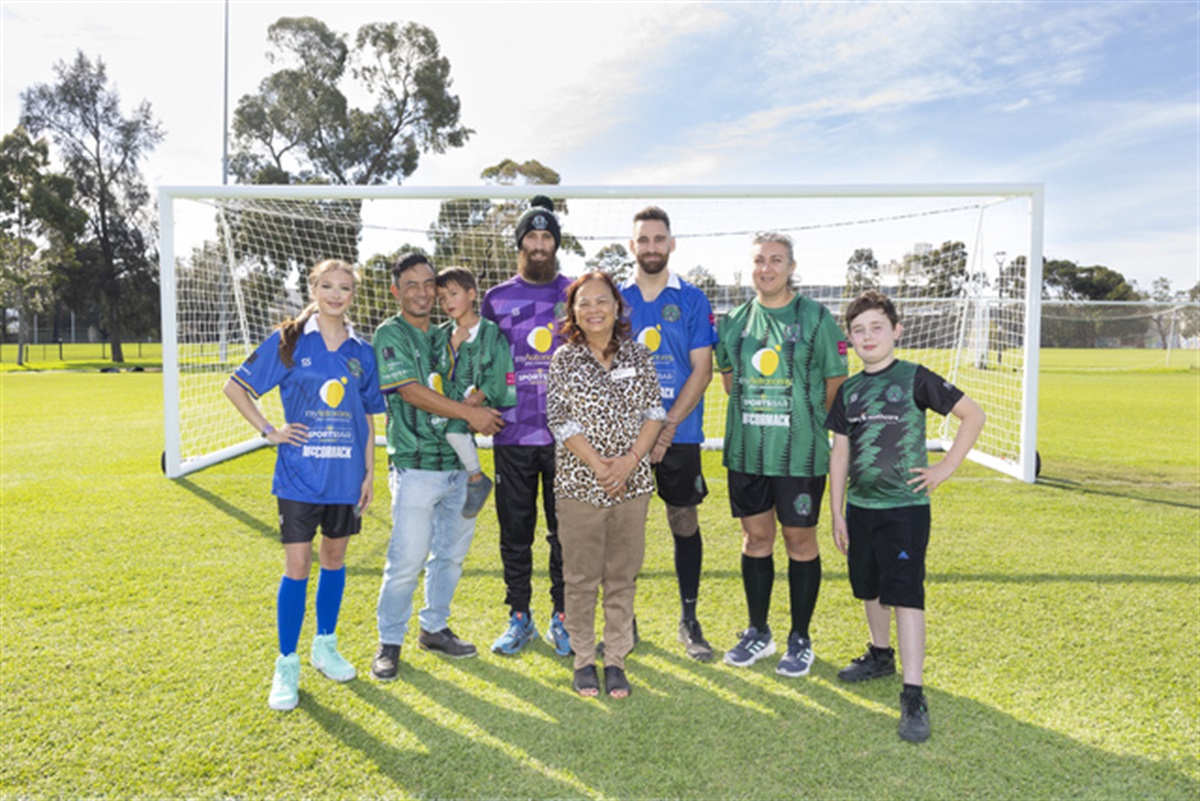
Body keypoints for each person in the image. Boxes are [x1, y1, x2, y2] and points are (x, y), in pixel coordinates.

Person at [223, 259, 386, 712]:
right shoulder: (289, 341)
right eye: (328, 286)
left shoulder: (362, 352)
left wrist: (370, 472)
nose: (337, 294)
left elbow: (368, 419)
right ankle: (287, 663)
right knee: (297, 566)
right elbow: (236, 387)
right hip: (299, 476)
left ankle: (325, 646)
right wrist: (269, 430)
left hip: (346, 477)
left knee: (334, 559)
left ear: (354, 294)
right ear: (313, 288)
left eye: (346, 288)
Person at [827, 290, 985, 743]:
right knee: (870, 586)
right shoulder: (850, 392)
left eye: (877, 327)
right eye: (858, 330)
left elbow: (972, 415)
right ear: (850, 340)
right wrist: (837, 511)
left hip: (905, 511)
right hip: (861, 509)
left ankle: (913, 692)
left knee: (906, 594)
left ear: (896, 331)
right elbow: (840, 453)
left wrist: (944, 467)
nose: (868, 336)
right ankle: (880, 654)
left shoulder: (916, 378)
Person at [715, 232, 848, 677]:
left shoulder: (815, 319)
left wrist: (804, 423)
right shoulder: (733, 321)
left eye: (776, 260)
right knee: (755, 540)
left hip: (801, 456)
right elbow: (731, 382)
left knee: (799, 542)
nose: (766, 268)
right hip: (748, 453)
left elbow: (835, 385)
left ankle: (800, 637)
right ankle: (759, 632)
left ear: (792, 267)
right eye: (759, 261)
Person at [370, 252, 505, 681]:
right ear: (396, 291)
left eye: (429, 283)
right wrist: (471, 416)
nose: (423, 292)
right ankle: (389, 642)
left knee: (450, 555)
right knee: (406, 560)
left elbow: (483, 374)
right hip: (415, 466)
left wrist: (481, 399)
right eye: (411, 284)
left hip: (460, 469)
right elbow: (410, 392)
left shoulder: (451, 333)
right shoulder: (390, 333)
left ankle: (434, 628)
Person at [547, 271, 665, 698]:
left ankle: (614, 658)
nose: (594, 309)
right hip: (580, 486)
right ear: (573, 313)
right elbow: (560, 420)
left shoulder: (638, 355)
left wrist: (629, 462)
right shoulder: (564, 359)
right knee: (579, 577)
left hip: (631, 487)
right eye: (584, 303)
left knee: (621, 576)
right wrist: (600, 465)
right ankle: (582, 659)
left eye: (602, 301)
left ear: (617, 307)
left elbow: (655, 414)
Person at [619, 206, 718, 661]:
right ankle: (624, 622)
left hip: (679, 433)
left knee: (683, 520)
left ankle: (689, 619)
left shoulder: (693, 299)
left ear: (671, 244)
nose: (652, 247)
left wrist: (667, 426)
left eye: (659, 239)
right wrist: (643, 432)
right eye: (644, 240)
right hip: (625, 436)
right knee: (625, 527)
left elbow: (702, 369)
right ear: (632, 246)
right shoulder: (614, 300)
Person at [480, 195, 574, 656]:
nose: (539, 245)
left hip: (566, 437)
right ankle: (520, 616)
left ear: (556, 243)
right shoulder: (496, 299)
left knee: (565, 533)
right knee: (514, 531)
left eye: (547, 237)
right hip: (512, 435)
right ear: (520, 243)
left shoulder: (577, 292)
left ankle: (564, 617)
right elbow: (483, 363)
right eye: (531, 237)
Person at [435, 265, 518, 518]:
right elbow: (436, 373)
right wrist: (453, 345)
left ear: (471, 294)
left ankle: (476, 478)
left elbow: (501, 368)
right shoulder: (442, 334)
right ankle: (469, 478)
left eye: (453, 294)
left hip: (481, 404)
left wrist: (481, 396)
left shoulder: (491, 332)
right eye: (442, 298)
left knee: (454, 431)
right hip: (451, 406)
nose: (447, 302)